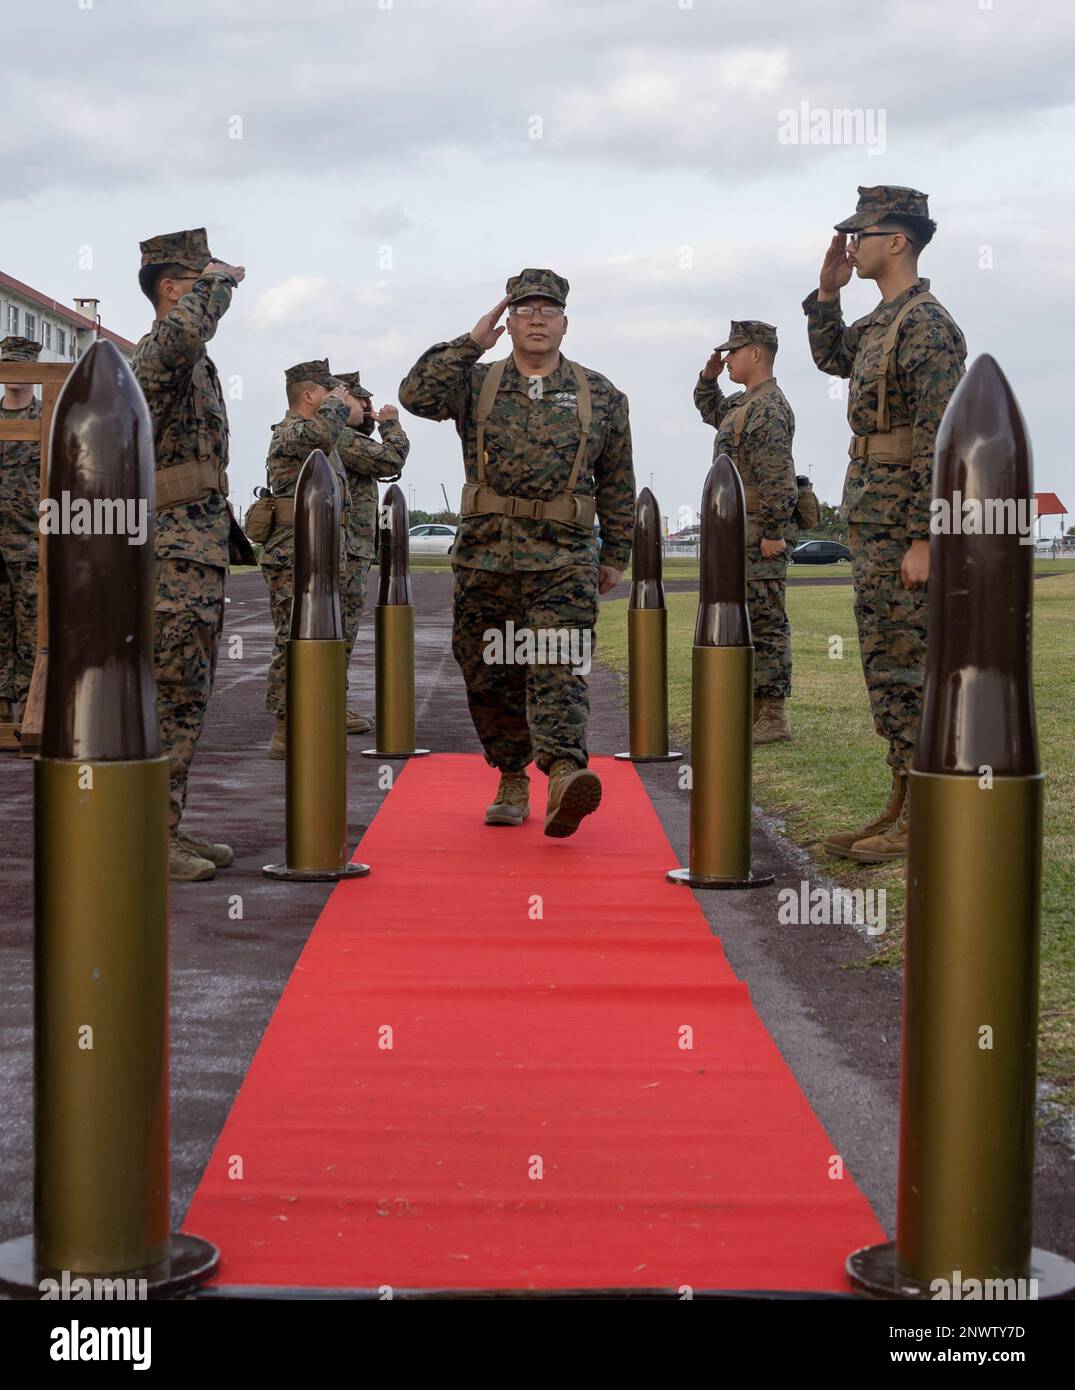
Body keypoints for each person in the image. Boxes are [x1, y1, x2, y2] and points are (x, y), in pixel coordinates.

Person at [399, 268, 634, 836]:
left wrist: (617, 552)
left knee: (558, 663)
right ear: (508, 323)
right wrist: (470, 342)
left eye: (547, 311)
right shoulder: (476, 383)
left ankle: (563, 772)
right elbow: (415, 396)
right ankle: (511, 772)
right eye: (524, 310)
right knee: (489, 672)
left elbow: (617, 480)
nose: (536, 319)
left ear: (564, 324)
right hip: (485, 557)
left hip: (564, 560)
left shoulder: (599, 394)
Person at [803, 186, 966, 863]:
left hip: (903, 519)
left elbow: (939, 437)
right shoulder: (881, 322)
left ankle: (925, 810)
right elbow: (829, 358)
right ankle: (901, 795)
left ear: (895, 240)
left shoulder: (927, 325)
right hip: (873, 510)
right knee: (884, 660)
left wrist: (927, 537)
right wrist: (827, 294)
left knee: (908, 663)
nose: (850, 245)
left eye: (860, 235)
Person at [132, 227, 245, 881]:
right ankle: (151, 836)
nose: (215, 288)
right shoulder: (164, 349)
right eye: (198, 281)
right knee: (171, 692)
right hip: (172, 549)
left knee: (186, 695)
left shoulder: (190, 361)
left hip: (193, 546)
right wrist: (219, 279)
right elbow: (182, 333)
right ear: (173, 289)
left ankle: (165, 825)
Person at [694, 321, 798, 743]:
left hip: (758, 533)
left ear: (757, 353)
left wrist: (772, 532)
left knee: (766, 620)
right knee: (749, 618)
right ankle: (755, 710)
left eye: (734, 352)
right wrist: (708, 378)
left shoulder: (768, 408)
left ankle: (773, 715)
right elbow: (709, 409)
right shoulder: (744, 404)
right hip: (739, 532)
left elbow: (779, 479)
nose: (729, 359)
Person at [260, 359, 357, 758]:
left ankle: (316, 714)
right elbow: (321, 432)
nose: (337, 398)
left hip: (322, 550)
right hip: (292, 552)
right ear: (307, 394)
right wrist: (338, 404)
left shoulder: (319, 438)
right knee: (292, 636)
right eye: (328, 391)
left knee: (322, 634)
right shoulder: (292, 433)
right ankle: (284, 726)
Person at [334, 370, 411, 732]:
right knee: (337, 629)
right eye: (358, 399)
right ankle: (327, 704)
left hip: (352, 549)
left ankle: (330, 702)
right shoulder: (342, 438)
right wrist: (391, 426)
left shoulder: (347, 436)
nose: (368, 406)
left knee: (341, 629)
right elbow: (389, 460)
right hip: (344, 552)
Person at [0, 335, 43, 726]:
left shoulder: (48, 421)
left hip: (31, 544)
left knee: (32, 627)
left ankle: (32, 706)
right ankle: (0, 704)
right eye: (8, 364)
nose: (14, 373)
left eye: (21, 364)